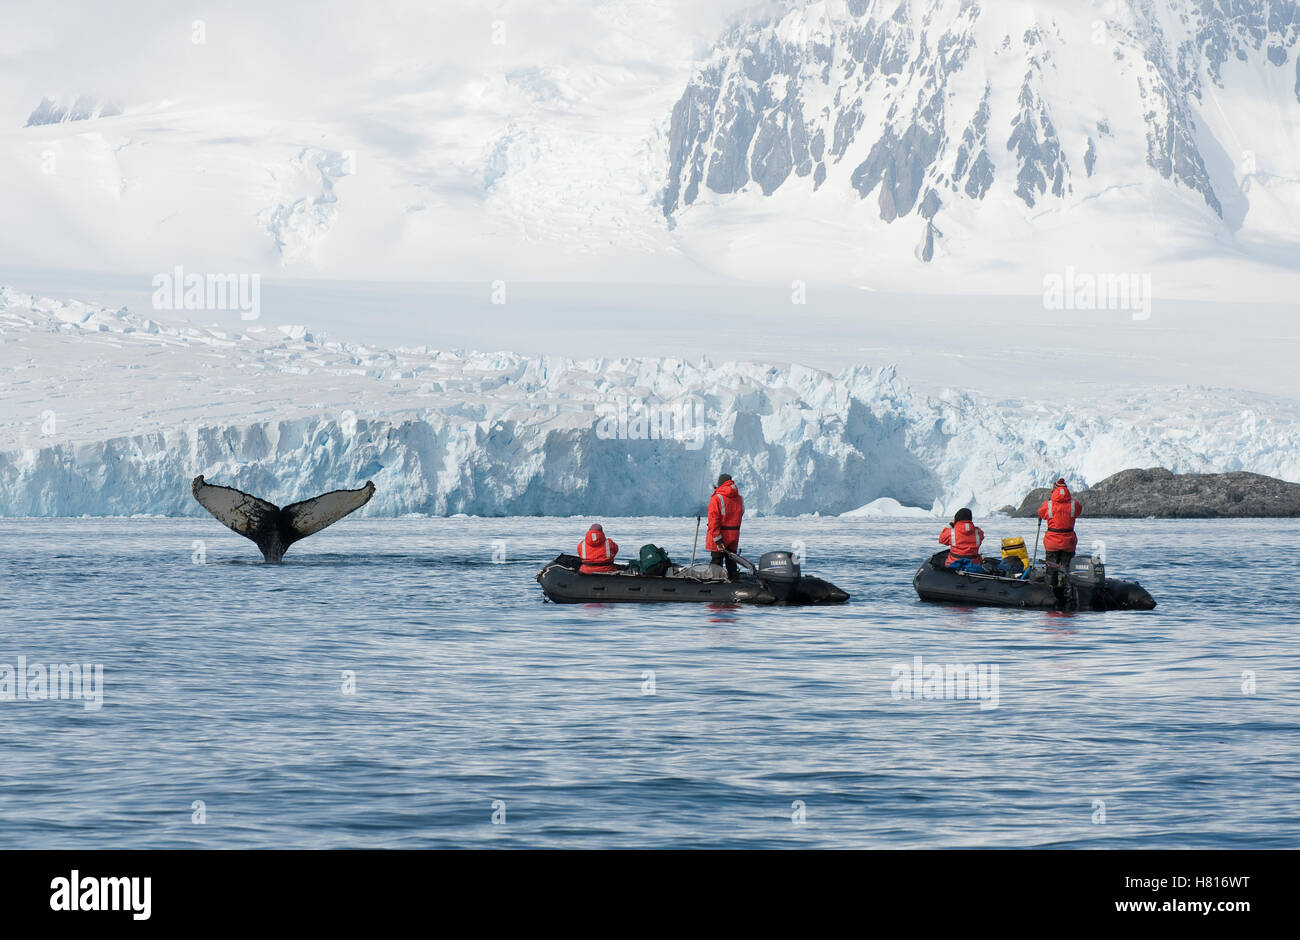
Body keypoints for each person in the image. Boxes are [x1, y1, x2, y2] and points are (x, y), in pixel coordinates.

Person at [1037, 477, 1083, 592]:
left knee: (1051, 569)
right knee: (1067, 569)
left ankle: (1050, 593)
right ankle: (1067, 591)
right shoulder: (1074, 505)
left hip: (1052, 542)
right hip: (1069, 542)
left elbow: (1041, 513)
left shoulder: (1048, 505)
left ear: (1054, 490)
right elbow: (1078, 511)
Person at [706, 473, 744, 581]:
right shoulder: (739, 498)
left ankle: (715, 585)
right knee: (731, 562)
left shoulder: (716, 498)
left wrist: (718, 540)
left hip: (720, 536)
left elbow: (713, 520)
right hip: (733, 536)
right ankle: (734, 581)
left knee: (716, 563)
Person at [939, 508, 985, 572]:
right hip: (974, 563)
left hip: (953, 563)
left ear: (957, 519)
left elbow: (941, 540)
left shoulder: (951, 532)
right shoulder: (978, 532)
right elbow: (981, 537)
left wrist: (951, 524)